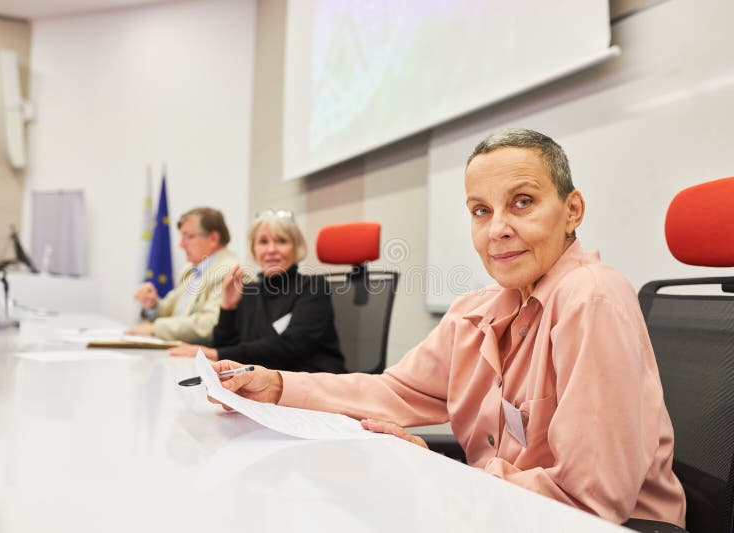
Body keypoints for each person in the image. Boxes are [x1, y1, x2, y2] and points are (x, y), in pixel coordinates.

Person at [208, 129, 686, 527]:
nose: (496, 228)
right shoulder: (473, 313)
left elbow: (592, 502)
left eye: (522, 202)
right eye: (480, 210)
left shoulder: (591, 297)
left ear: (573, 211)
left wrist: (440, 478)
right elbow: (393, 392)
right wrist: (277, 385)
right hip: (506, 513)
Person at [169, 210, 346, 374]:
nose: (271, 250)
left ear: (296, 247)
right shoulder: (249, 289)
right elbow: (227, 348)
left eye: (281, 241)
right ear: (254, 249)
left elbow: (292, 345)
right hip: (263, 390)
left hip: (312, 384)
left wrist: (215, 353)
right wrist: (228, 308)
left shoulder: (313, 287)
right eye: (263, 242)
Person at [127, 207, 238, 343]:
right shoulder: (191, 270)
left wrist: (155, 328)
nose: (181, 244)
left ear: (213, 238)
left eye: (188, 237)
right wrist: (153, 305)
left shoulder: (230, 271)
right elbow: (170, 310)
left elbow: (210, 324)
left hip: (204, 358)